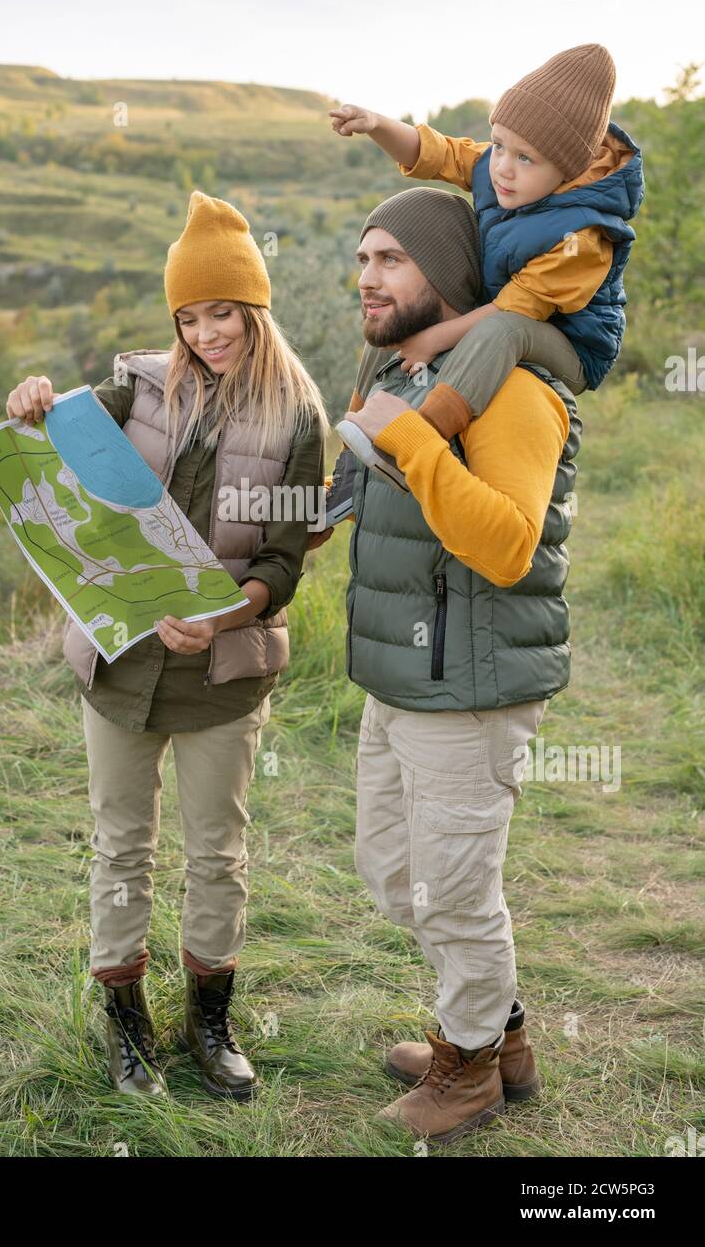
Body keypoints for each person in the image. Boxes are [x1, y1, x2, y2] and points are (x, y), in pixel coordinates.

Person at [4, 191, 328, 1102]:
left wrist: (230, 614)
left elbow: (283, 559)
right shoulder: (139, 387)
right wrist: (35, 399)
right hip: (119, 664)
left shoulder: (298, 419)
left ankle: (209, 1018)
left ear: (254, 308)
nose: (206, 333)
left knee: (218, 848)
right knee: (120, 846)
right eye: (188, 317)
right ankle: (125, 1023)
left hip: (222, 672)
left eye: (221, 311)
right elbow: (54, 439)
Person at [328, 184, 582, 1144]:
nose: (368, 277)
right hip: (400, 677)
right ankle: (499, 1030)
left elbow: (509, 545)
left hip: (468, 687)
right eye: (362, 259)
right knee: (393, 871)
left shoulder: (511, 391)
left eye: (390, 258)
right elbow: (364, 494)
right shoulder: (400, 380)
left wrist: (415, 453)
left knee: (455, 889)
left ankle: (468, 1070)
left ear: (446, 273)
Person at [329, 43, 643, 467]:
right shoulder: (502, 169)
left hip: (570, 342)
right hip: (501, 311)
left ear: (568, 170)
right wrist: (377, 124)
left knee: (504, 332)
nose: (503, 168)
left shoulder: (584, 239)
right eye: (498, 145)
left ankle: (416, 439)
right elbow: (439, 154)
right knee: (394, 318)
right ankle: (354, 457)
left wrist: (435, 339)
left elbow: (517, 311)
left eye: (525, 158)